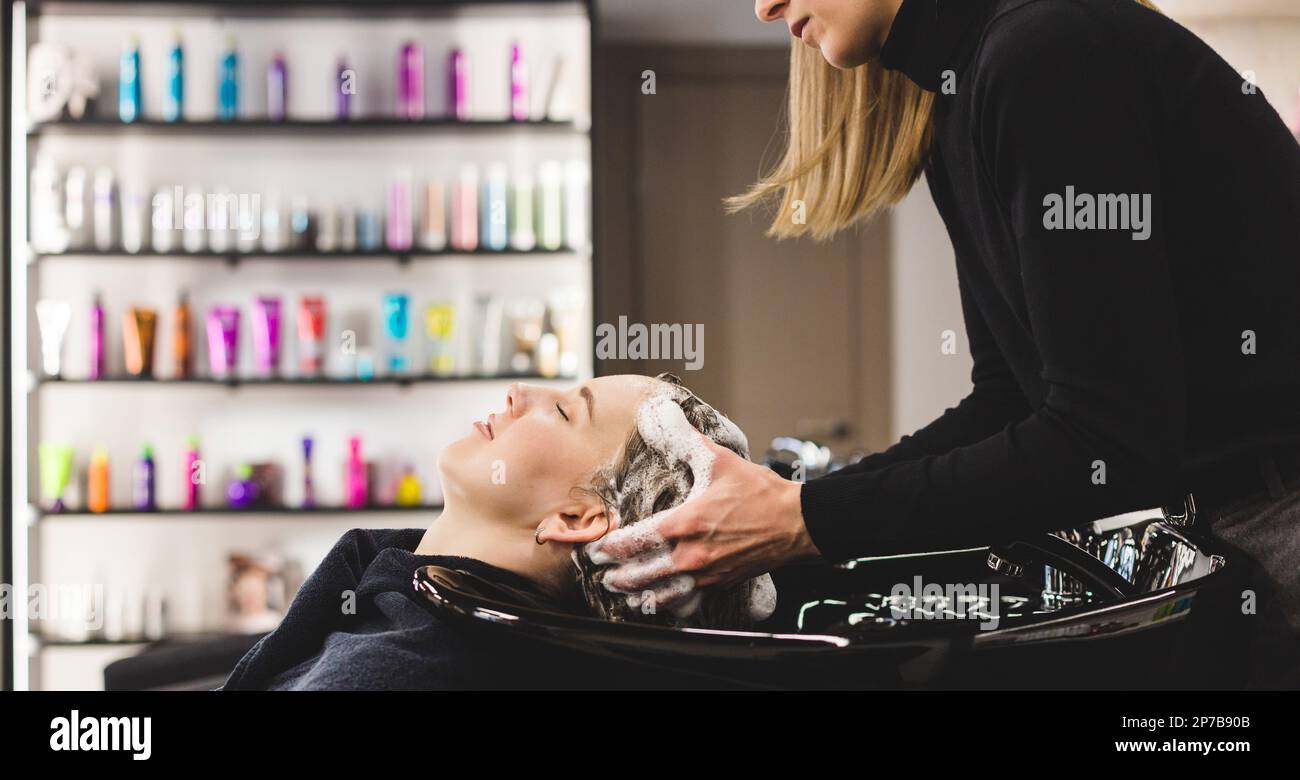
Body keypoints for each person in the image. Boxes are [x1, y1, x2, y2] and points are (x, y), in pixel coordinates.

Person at [592, 0, 1300, 688]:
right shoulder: (963, 93)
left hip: (1275, 523)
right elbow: (1007, 400)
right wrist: (791, 513)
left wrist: (802, 522)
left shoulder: (1041, 50)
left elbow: (1104, 441)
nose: (765, 7)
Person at [220, 374, 766, 690]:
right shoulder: (388, 613)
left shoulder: (394, 674)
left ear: (576, 520)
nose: (518, 393)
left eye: (561, 410)